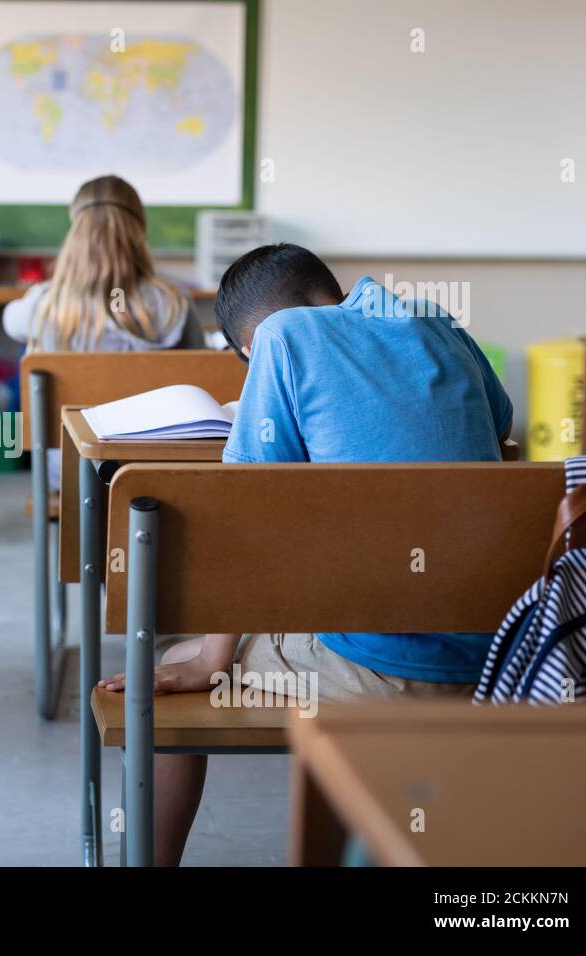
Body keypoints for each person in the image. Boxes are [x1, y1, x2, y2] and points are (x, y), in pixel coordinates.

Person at [99, 243, 514, 866]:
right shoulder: (434, 318)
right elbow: (500, 426)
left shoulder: (284, 337)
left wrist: (211, 660)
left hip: (390, 670)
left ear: (251, 341)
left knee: (172, 673)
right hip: (496, 655)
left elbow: (246, 515)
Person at [3, 174, 204, 352]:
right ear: (139, 230)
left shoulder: (43, 305)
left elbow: (10, 322)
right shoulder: (173, 303)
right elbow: (199, 367)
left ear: (76, 232)